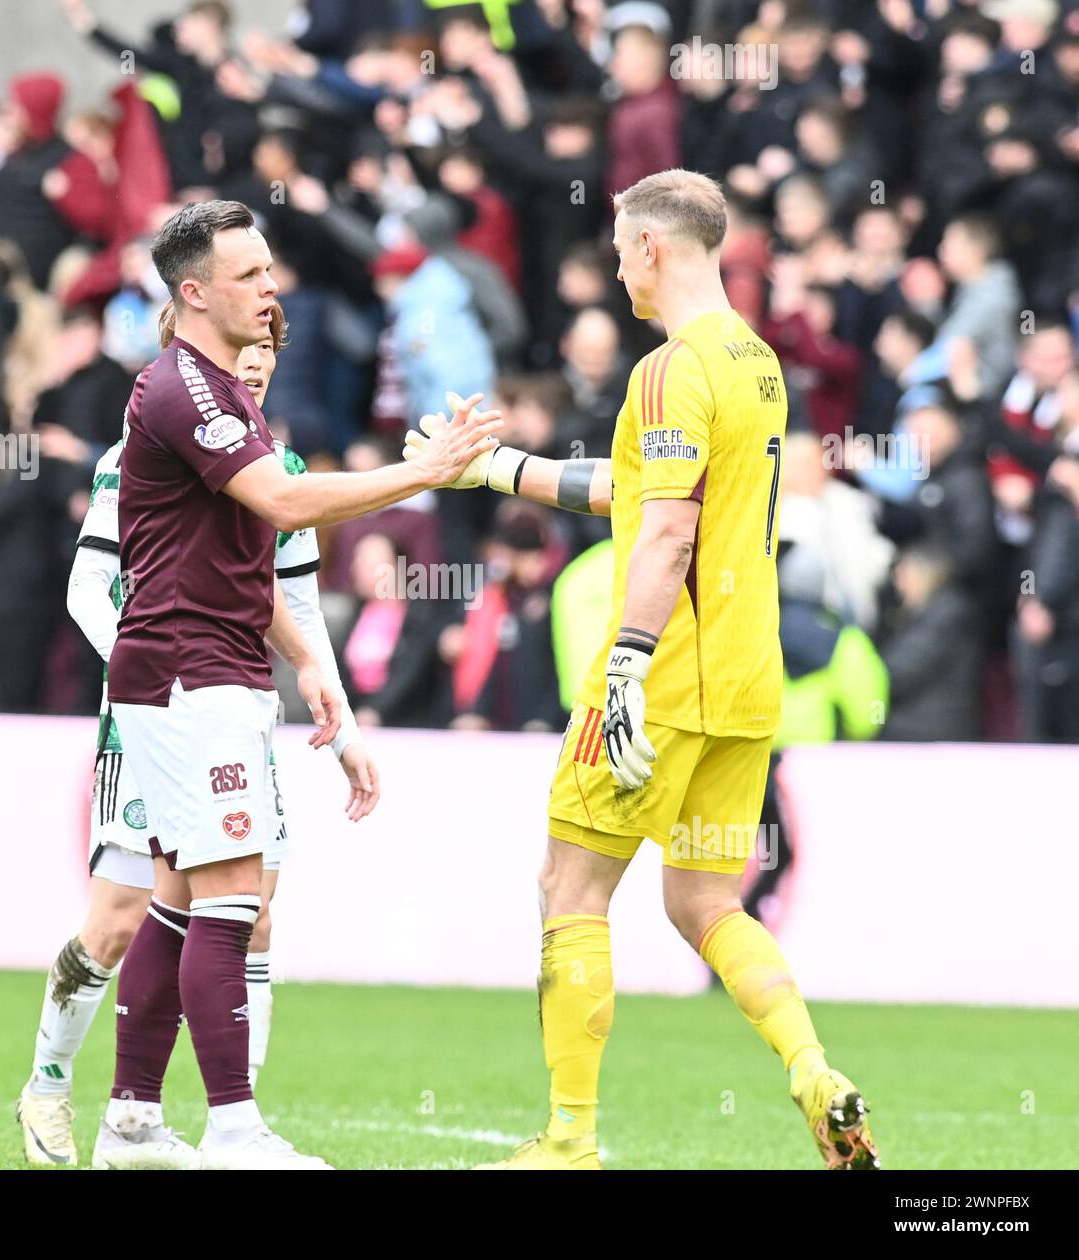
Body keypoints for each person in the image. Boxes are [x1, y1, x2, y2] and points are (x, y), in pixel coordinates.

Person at [404, 170, 879, 1170]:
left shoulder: (666, 369)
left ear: (654, 249)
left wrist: (623, 665)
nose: (616, 267)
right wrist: (500, 469)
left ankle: (570, 1139)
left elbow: (665, 533)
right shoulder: (755, 360)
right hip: (746, 685)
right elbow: (640, 489)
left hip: (663, 677)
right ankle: (812, 1074)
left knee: (568, 889)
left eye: (622, 248)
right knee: (705, 903)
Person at [101, 200, 499, 1170]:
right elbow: (281, 502)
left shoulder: (223, 392)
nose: (270, 287)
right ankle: (234, 1131)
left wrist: (315, 670)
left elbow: (244, 553)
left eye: (271, 269)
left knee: (181, 896)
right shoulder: (182, 390)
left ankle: (132, 1125)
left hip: (203, 666)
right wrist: (425, 475)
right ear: (193, 294)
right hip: (190, 672)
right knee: (234, 891)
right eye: (249, 275)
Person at [16, 300, 379, 1168]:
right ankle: (51, 1084)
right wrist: (142, 691)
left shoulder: (278, 467)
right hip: (164, 703)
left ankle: (205, 1120)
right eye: (243, 350)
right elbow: (87, 587)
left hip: (234, 708)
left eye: (266, 357)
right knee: (117, 921)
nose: (253, 367)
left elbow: (288, 608)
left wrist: (338, 710)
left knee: (250, 912)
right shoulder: (137, 450)